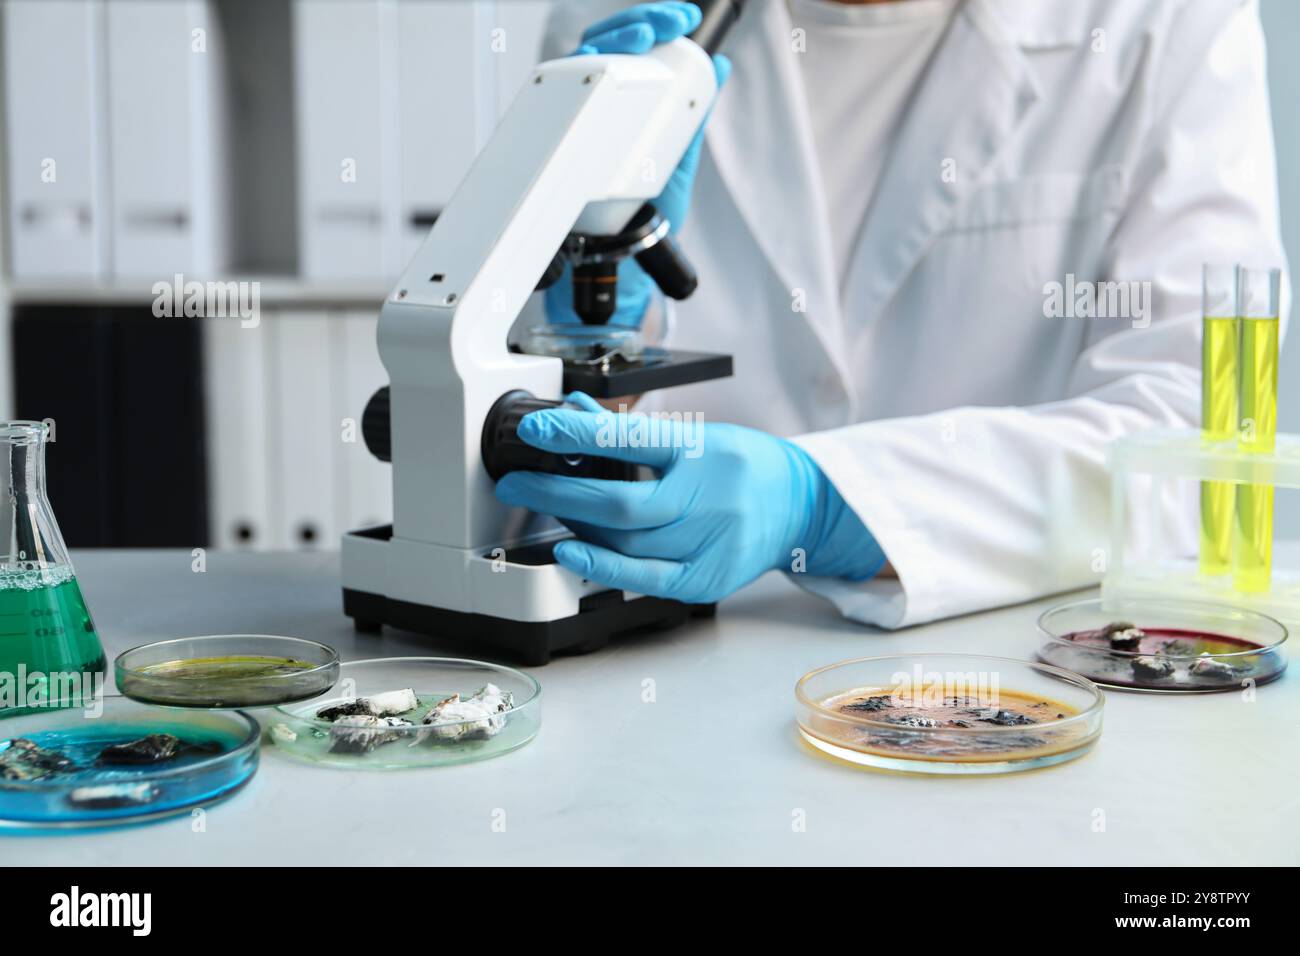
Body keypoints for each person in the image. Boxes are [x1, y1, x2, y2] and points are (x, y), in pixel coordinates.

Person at [496, 0, 1289, 628]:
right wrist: (580, 358)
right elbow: (528, 470)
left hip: (1029, 671)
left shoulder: (1169, 20)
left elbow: (1203, 442)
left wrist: (830, 504)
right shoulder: (623, 26)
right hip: (672, 649)